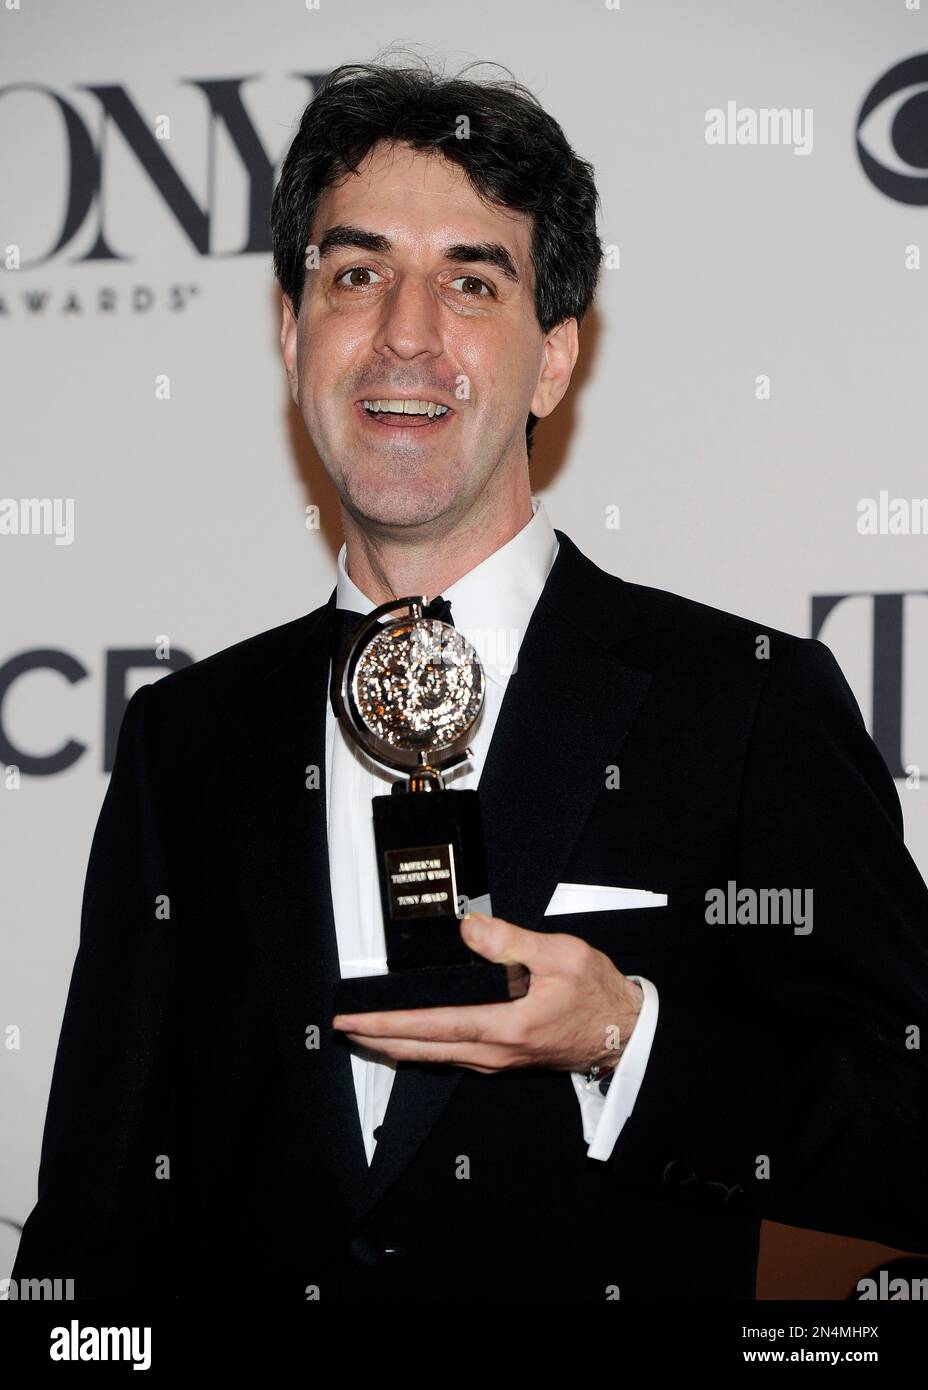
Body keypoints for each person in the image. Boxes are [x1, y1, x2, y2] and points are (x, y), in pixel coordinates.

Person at [13, 57, 928, 1302]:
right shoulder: (187, 742)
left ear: (553, 359)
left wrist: (625, 1037)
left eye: (470, 280)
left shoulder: (746, 701)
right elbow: (91, 1227)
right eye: (356, 274)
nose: (405, 332)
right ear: (292, 336)